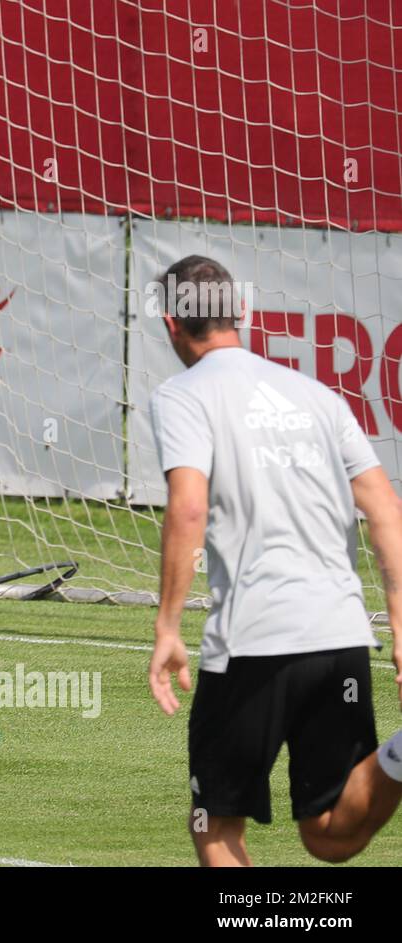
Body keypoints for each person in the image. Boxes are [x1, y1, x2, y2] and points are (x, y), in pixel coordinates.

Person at [148, 254, 402, 865]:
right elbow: (387, 514)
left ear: (170, 325)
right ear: (241, 313)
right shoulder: (317, 396)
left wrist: (167, 626)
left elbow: (187, 509)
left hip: (252, 643)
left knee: (216, 825)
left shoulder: (182, 395)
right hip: (339, 638)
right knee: (327, 835)